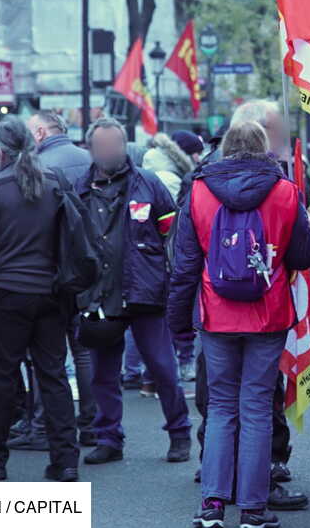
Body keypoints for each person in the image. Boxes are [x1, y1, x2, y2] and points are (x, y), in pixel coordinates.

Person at [168, 120, 310, 528]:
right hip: (268, 314)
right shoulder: (285, 191)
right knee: (256, 409)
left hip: (216, 314)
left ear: (226, 148)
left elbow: (184, 265)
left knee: (219, 409)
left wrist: (179, 320)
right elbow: (304, 256)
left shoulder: (199, 191)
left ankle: (213, 504)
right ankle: (253, 509)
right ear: (264, 148)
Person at [0, 116, 80, 482]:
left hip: (9, 295)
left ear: (0, 149)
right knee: (54, 377)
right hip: (51, 294)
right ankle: (65, 462)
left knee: (1, 379)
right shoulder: (55, 183)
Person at [74, 118, 192, 466]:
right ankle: (109, 437)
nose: (110, 151)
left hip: (145, 291)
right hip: (99, 296)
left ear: (124, 146)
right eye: (103, 145)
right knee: (102, 373)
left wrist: (168, 277)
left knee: (162, 367)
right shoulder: (80, 188)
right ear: (92, 149)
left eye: (115, 144)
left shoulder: (149, 183)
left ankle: (179, 433)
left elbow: (174, 234)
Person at [21, 109, 96, 449]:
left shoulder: (39, 166)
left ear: (38, 133)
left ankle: (42, 425)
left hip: (49, 271)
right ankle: (92, 421)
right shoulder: (89, 158)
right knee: (83, 349)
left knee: (47, 355)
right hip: (87, 265)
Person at [141, 129, 201, 383]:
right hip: (168, 256)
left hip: (144, 257)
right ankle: (179, 365)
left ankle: (147, 373)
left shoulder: (144, 172)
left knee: (151, 319)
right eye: (196, 152)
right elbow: (178, 222)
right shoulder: (173, 178)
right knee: (177, 309)